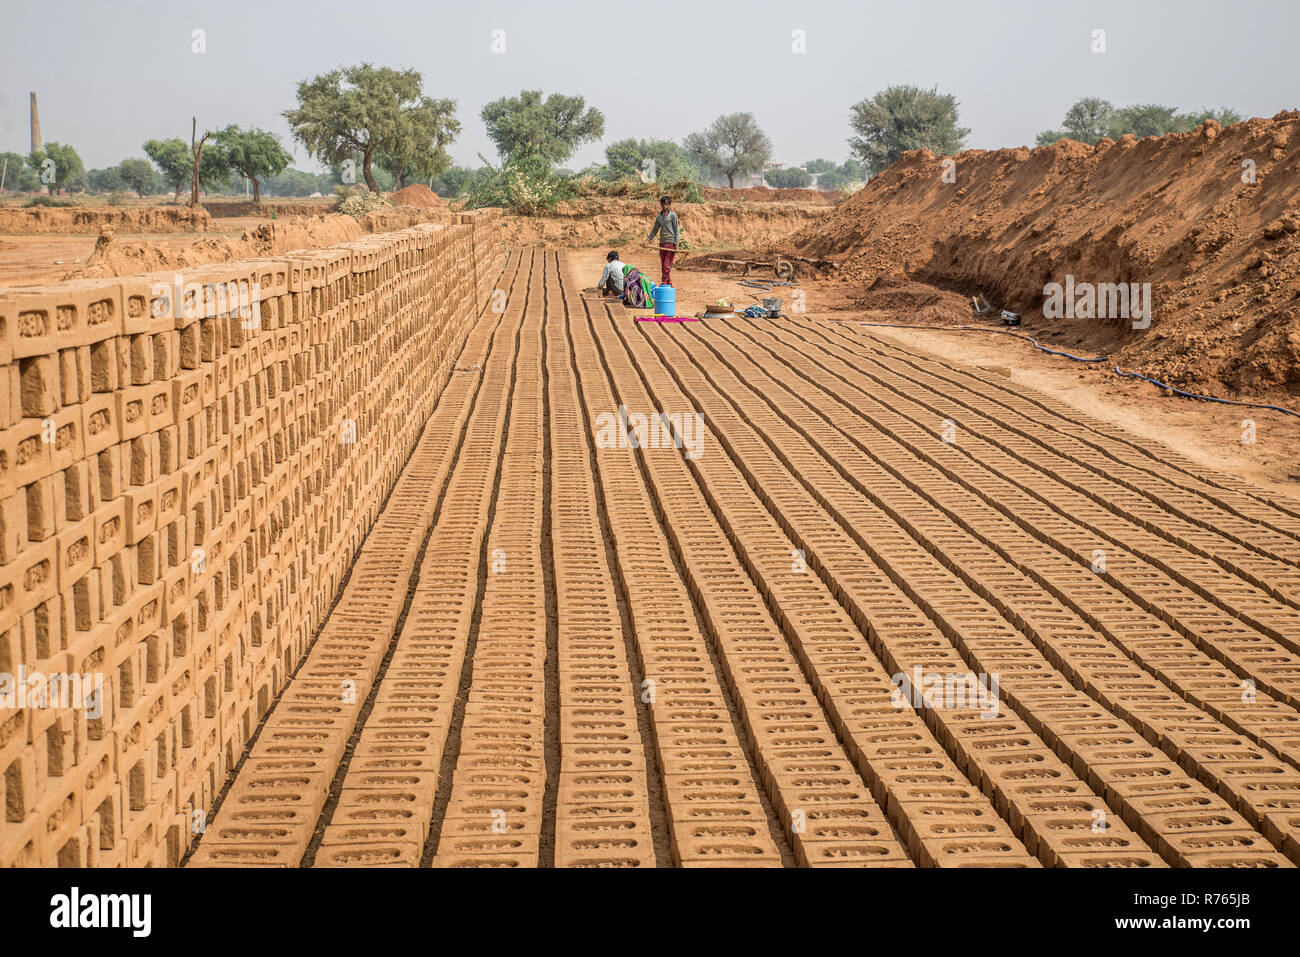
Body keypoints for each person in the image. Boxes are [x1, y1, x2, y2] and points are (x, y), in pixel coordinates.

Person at [646, 195, 680, 286]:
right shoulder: (659, 217)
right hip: (662, 244)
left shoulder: (673, 216)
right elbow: (655, 230)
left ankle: (664, 282)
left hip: (670, 243)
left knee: (666, 265)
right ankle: (669, 283)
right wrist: (647, 240)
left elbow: (677, 230)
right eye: (663, 204)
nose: (664, 206)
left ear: (669, 205)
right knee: (663, 265)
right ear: (660, 204)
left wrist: (676, 244)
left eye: (666, 204)